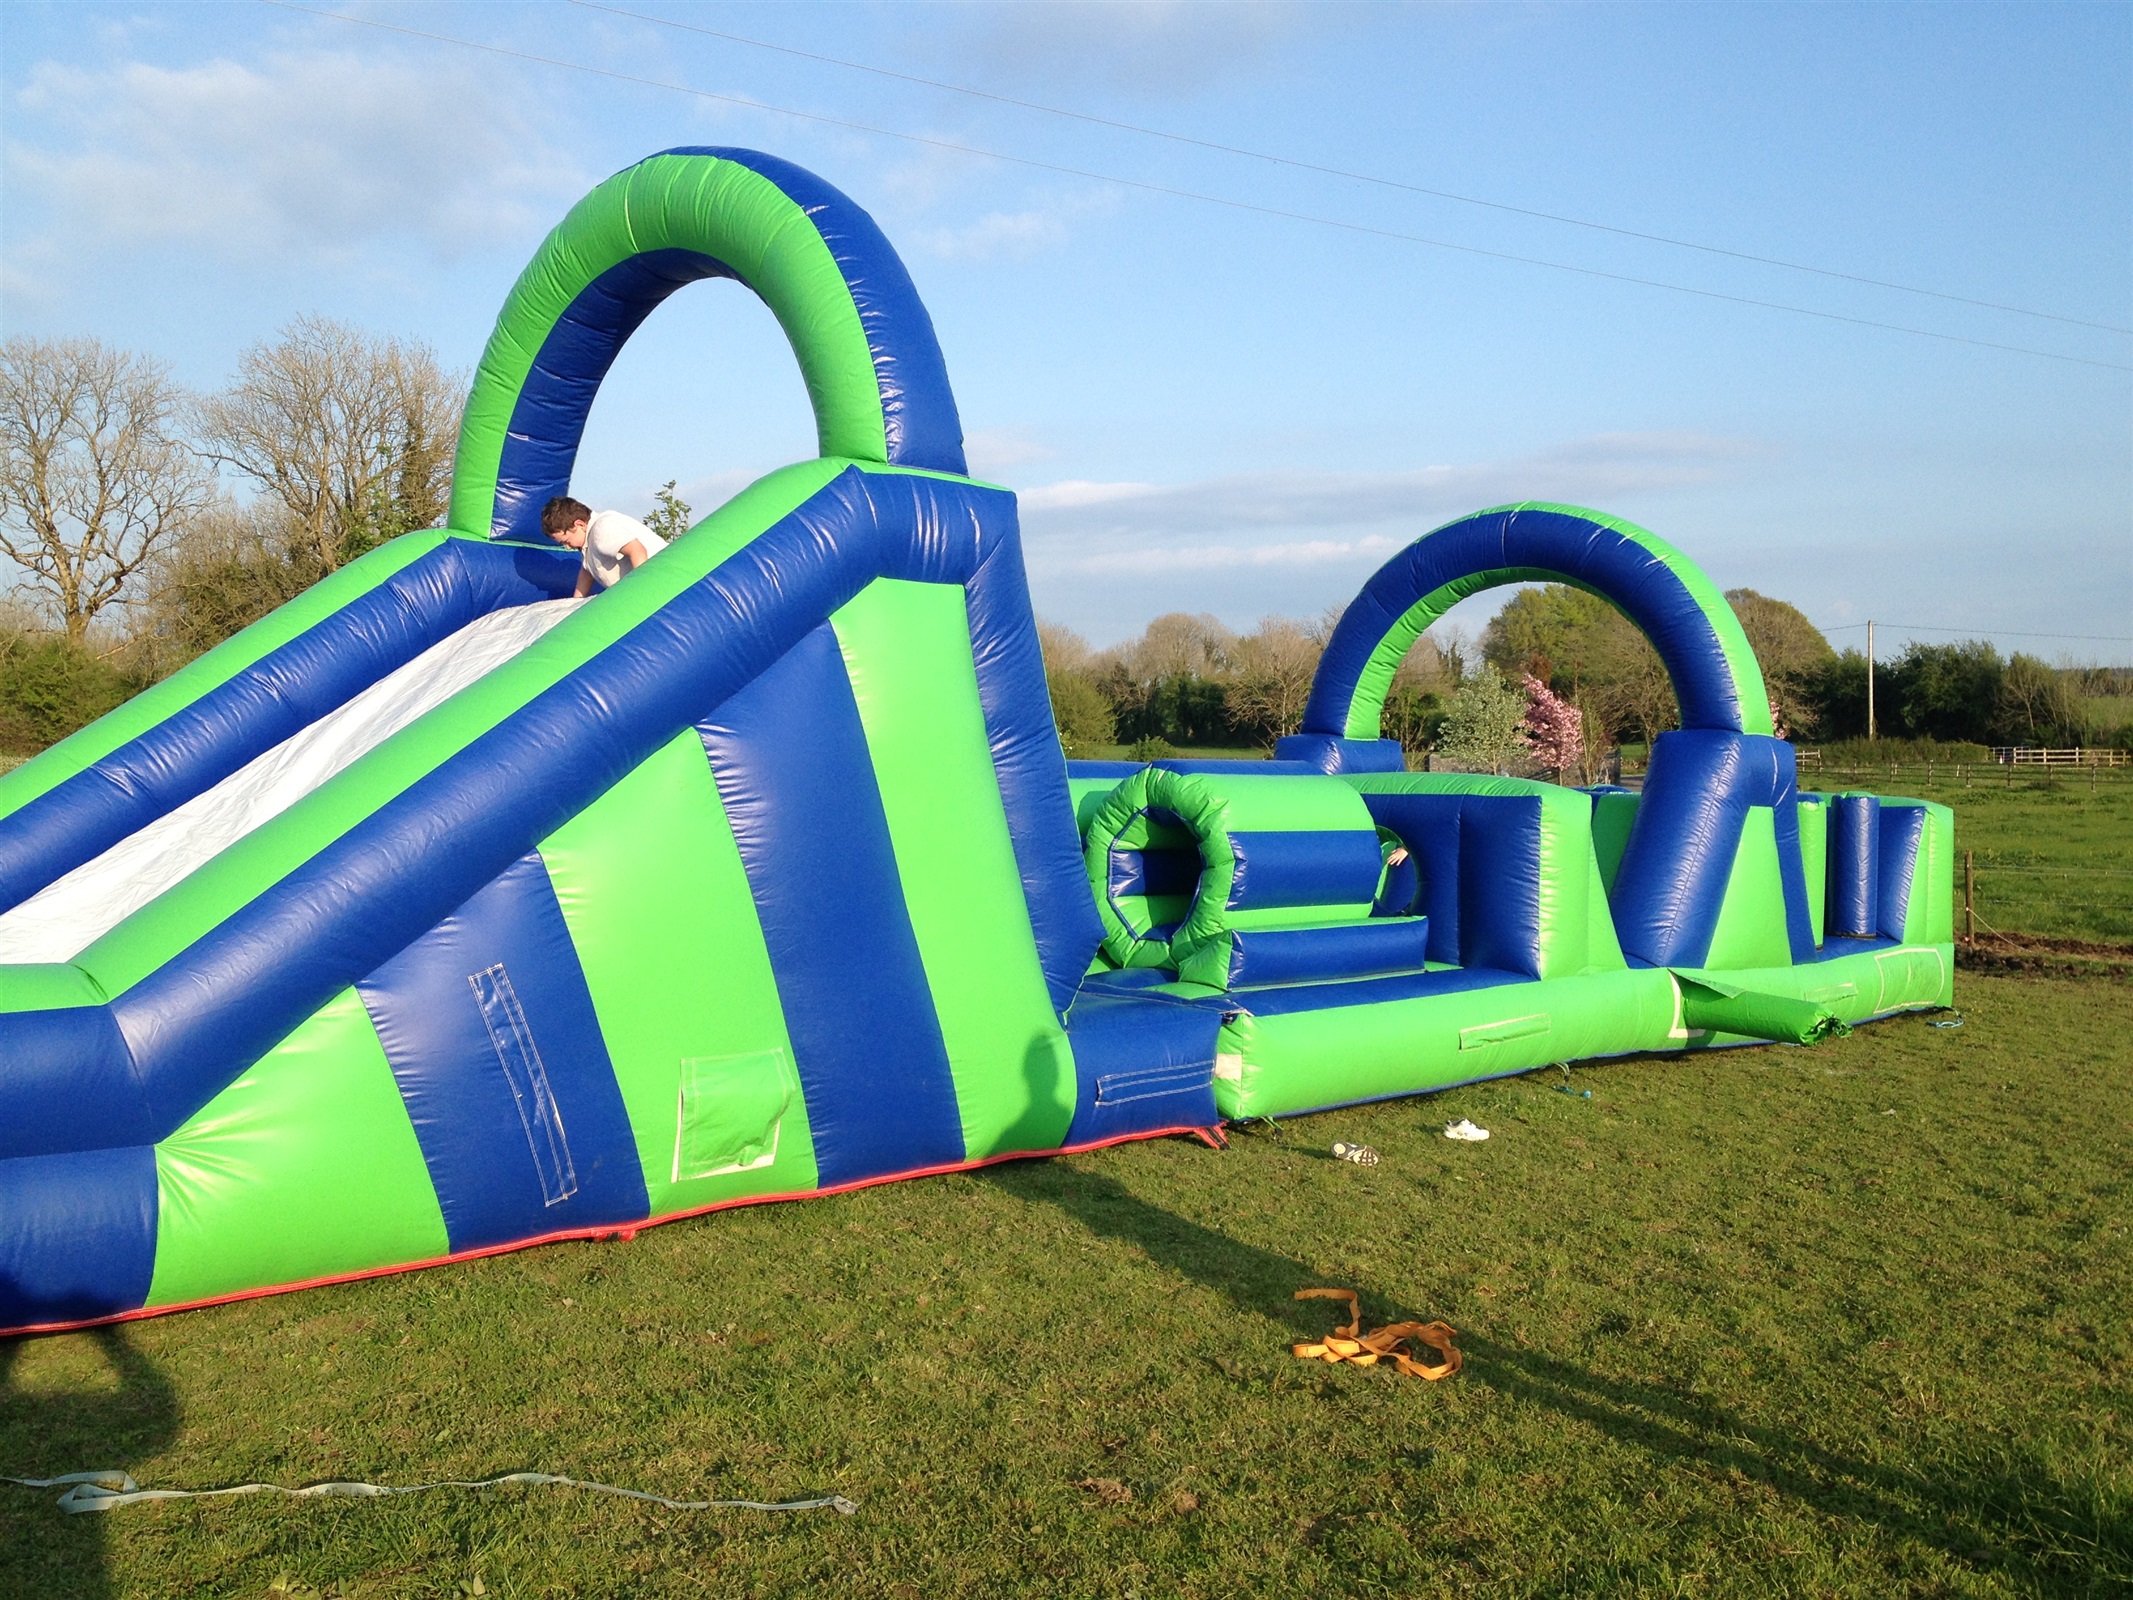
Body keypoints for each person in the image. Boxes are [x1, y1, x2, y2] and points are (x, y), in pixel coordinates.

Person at [541, 496, 668, 596]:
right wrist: (574, 603)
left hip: (662, 581)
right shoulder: (588, 542)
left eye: (566, 541)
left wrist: (643, 590)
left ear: (580, 524)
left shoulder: (601, 530)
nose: (567, 547)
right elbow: (586, 572)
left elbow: (637, 550)